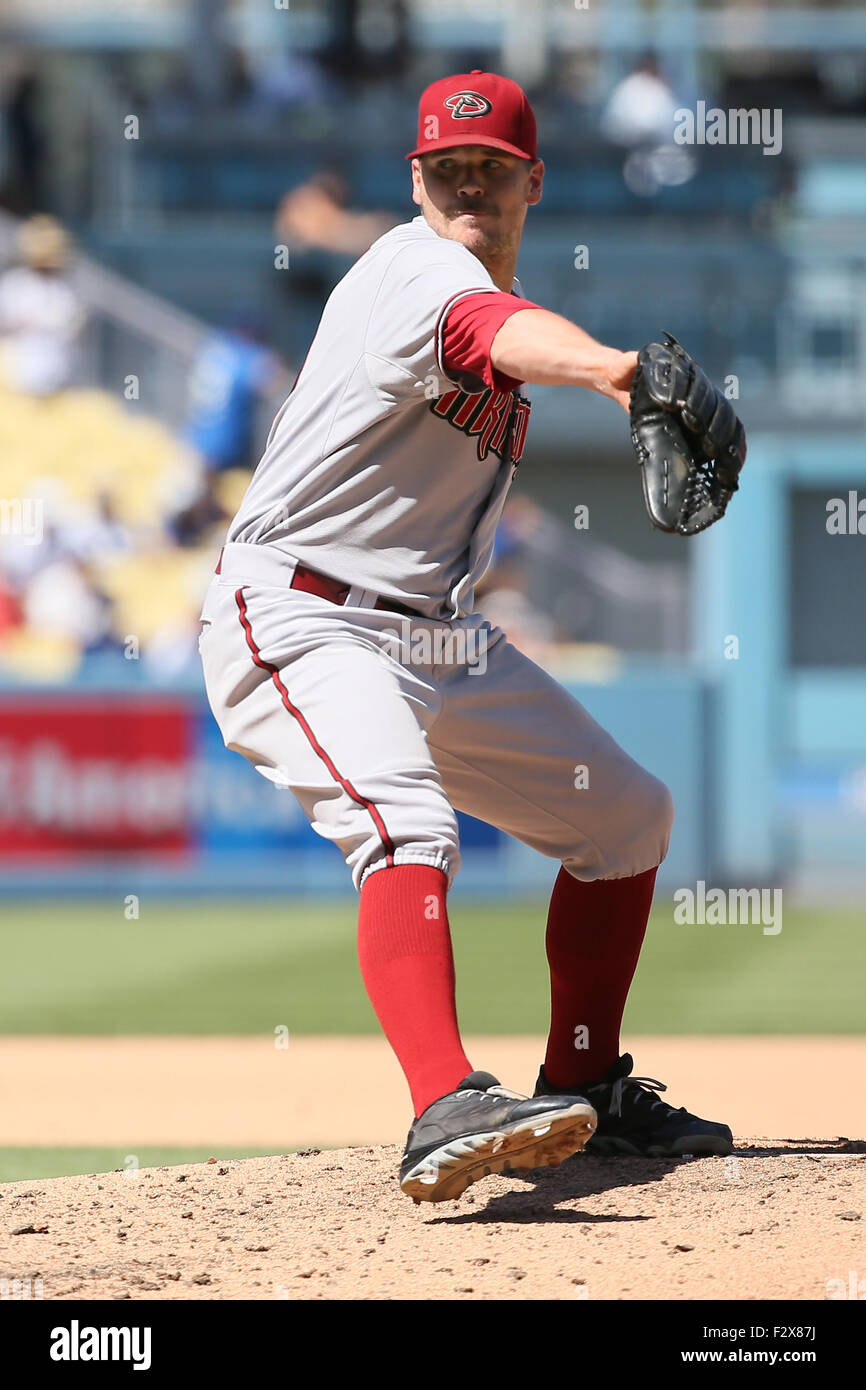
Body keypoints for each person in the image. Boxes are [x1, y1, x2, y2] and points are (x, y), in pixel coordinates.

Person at [198, 70, 733, 1204]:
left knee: (625, 814)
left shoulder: (488, 286)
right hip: (299, 611)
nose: (468, 186)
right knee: (402, 819)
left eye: (490, 169)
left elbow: (499, 328)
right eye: (447, 170)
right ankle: (443, 1100)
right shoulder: (413, 265)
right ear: (415, 181)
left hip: (431, 638)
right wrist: (619, 372)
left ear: (532, 179)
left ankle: (584, 1089)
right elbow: (483, 324)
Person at [0, 215, 85, 396]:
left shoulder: (63, 289)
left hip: (57, 368)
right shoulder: (16, 283)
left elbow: (71, 324)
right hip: (21, 367)